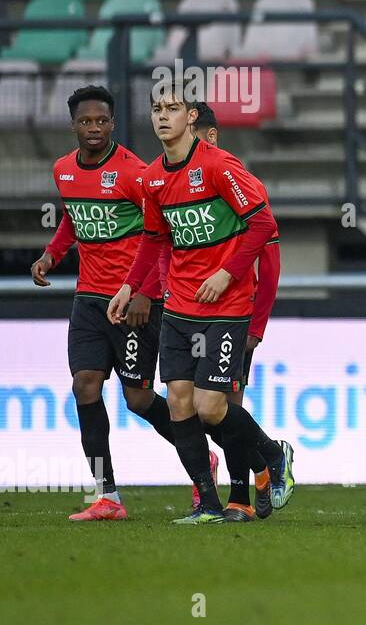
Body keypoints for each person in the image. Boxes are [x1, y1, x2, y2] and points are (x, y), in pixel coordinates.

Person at [107, 93, 294, 524]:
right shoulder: (151, 179)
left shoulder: (218, 167)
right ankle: (209, 505)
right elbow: (154, 239)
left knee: (213, 406)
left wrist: (227, 273)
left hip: (226, 306)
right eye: (156, 110)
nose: (162, 117)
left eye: (172, 109)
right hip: (179, 306)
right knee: (179, 405)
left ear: (191, 118)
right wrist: (130, 285)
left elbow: (262, 224)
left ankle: (270, 453)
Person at [32, 86, 179, 521]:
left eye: (101, 121)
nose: (93, 128)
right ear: (73, 124)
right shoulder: (64, 170)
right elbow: (72, 219)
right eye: (85, 121)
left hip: (131, 300)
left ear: (113, 123)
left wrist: (147, 293)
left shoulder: (134, 172)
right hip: (89, 299)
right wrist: (51, 255)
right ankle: (107, 496)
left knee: (137, 398)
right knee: (85, 387)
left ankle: (198, 460)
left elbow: (162, 232)